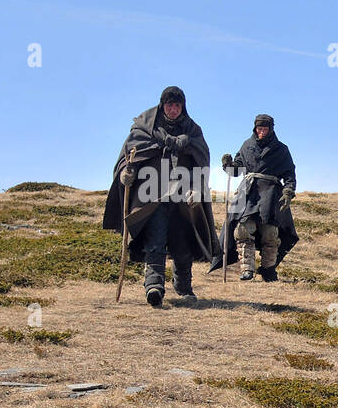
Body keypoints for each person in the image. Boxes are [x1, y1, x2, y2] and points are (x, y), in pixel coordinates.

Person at [102, 86, 218, 306]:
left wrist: (197, 187)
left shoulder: (192, 131)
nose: (173, 110)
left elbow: (201, 161)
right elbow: (130, 157)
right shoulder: (146, 127)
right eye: (169, 105)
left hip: (182, 197)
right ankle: (154, 286)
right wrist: (127, 173)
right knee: (155, 240)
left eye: (177, 105)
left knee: (182, 243)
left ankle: (184, 287)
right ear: (162, 105)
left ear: (183, 107)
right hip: (153, 196)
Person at [216, 114, 299, 281]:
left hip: (271, 193)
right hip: (249, 192)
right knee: (243, 230)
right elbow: (236, 171)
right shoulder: (247, 145)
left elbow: (289, 174)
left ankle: (268, 270)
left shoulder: (281, 150)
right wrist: (228, 165)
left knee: (270, 233)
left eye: (265, 129)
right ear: (255, 128)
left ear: (271, 130)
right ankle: (247, 270)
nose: (262, 132)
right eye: (259, 129)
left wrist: (288, 191)